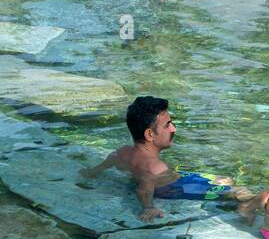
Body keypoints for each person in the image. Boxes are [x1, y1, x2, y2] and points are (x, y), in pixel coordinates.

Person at [79, 95, 251, 221]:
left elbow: (111, 159)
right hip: (175, 188)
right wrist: (148, 207)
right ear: (149, 134)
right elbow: (144, 188)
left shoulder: (123, 152)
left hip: (175, 178)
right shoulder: (154, 167)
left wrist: (92, 172)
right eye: (168, 125)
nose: (173, 129)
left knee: (225, 179)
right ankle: (248, 205)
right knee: (239, 190)